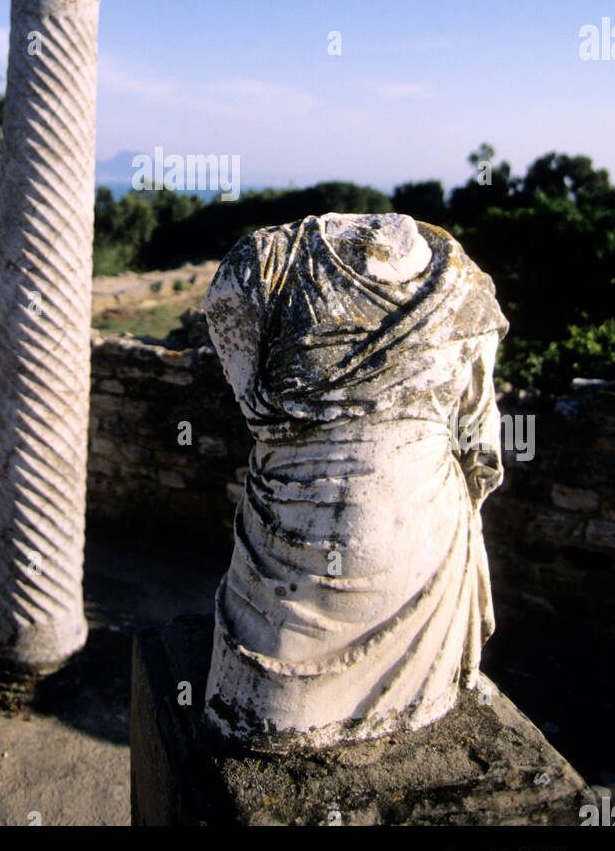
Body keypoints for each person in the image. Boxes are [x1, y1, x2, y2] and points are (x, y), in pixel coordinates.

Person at [203, 212, 508, 749]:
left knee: (251, 722)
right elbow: (479, 450)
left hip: (287, 568)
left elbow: (256, 410)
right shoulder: (465, 290)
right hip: (424, 549)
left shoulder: (257, 268)